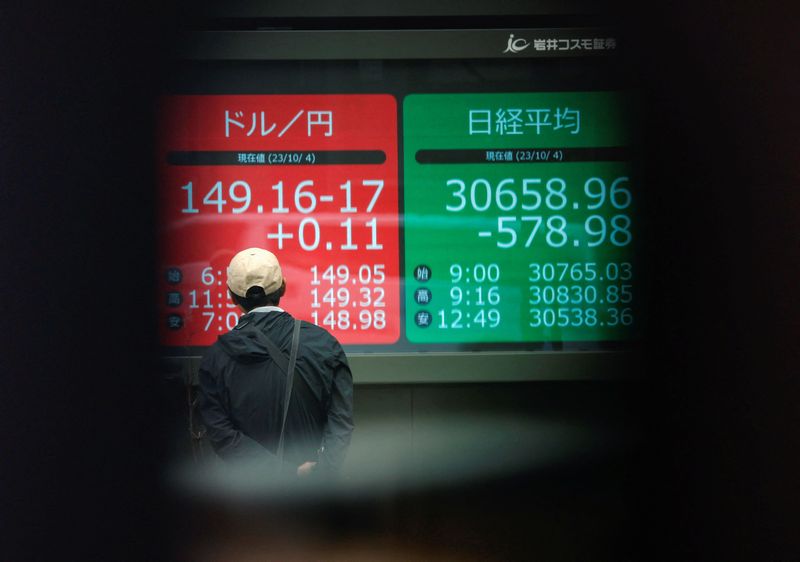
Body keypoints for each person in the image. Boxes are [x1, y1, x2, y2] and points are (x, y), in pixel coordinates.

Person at [197, 247, 354, 478]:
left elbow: (222, 435)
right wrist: (322, 472)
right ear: (283, 286)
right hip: (315, 493)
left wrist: (283, 471)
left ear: (231, 296)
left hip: (252, 498)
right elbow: (341, 420)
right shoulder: (323, 344)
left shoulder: (216, 358)